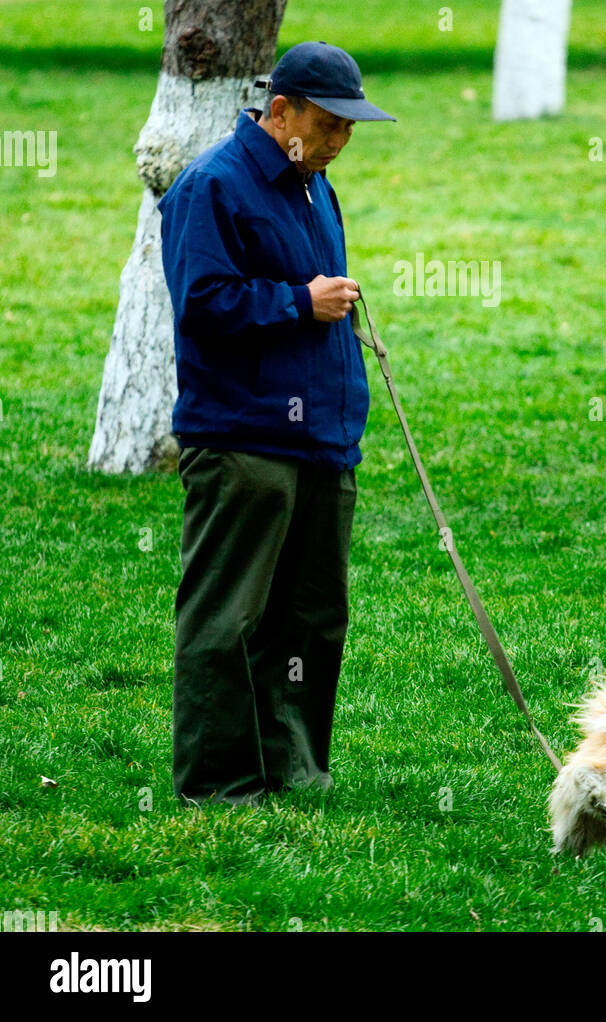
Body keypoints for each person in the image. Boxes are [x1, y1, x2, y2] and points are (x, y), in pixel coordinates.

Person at [157, 41, 395, 805]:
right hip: (242, 439)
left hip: (322, 440)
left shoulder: (312, 182)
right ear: (279, 109)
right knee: (228, 619)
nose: (339, 142)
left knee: (312, 619)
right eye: (328, 125)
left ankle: (294, 771)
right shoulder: (210, 186)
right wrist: (301, 302)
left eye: (350, 128)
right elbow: (201, 303)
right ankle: (220, 784)